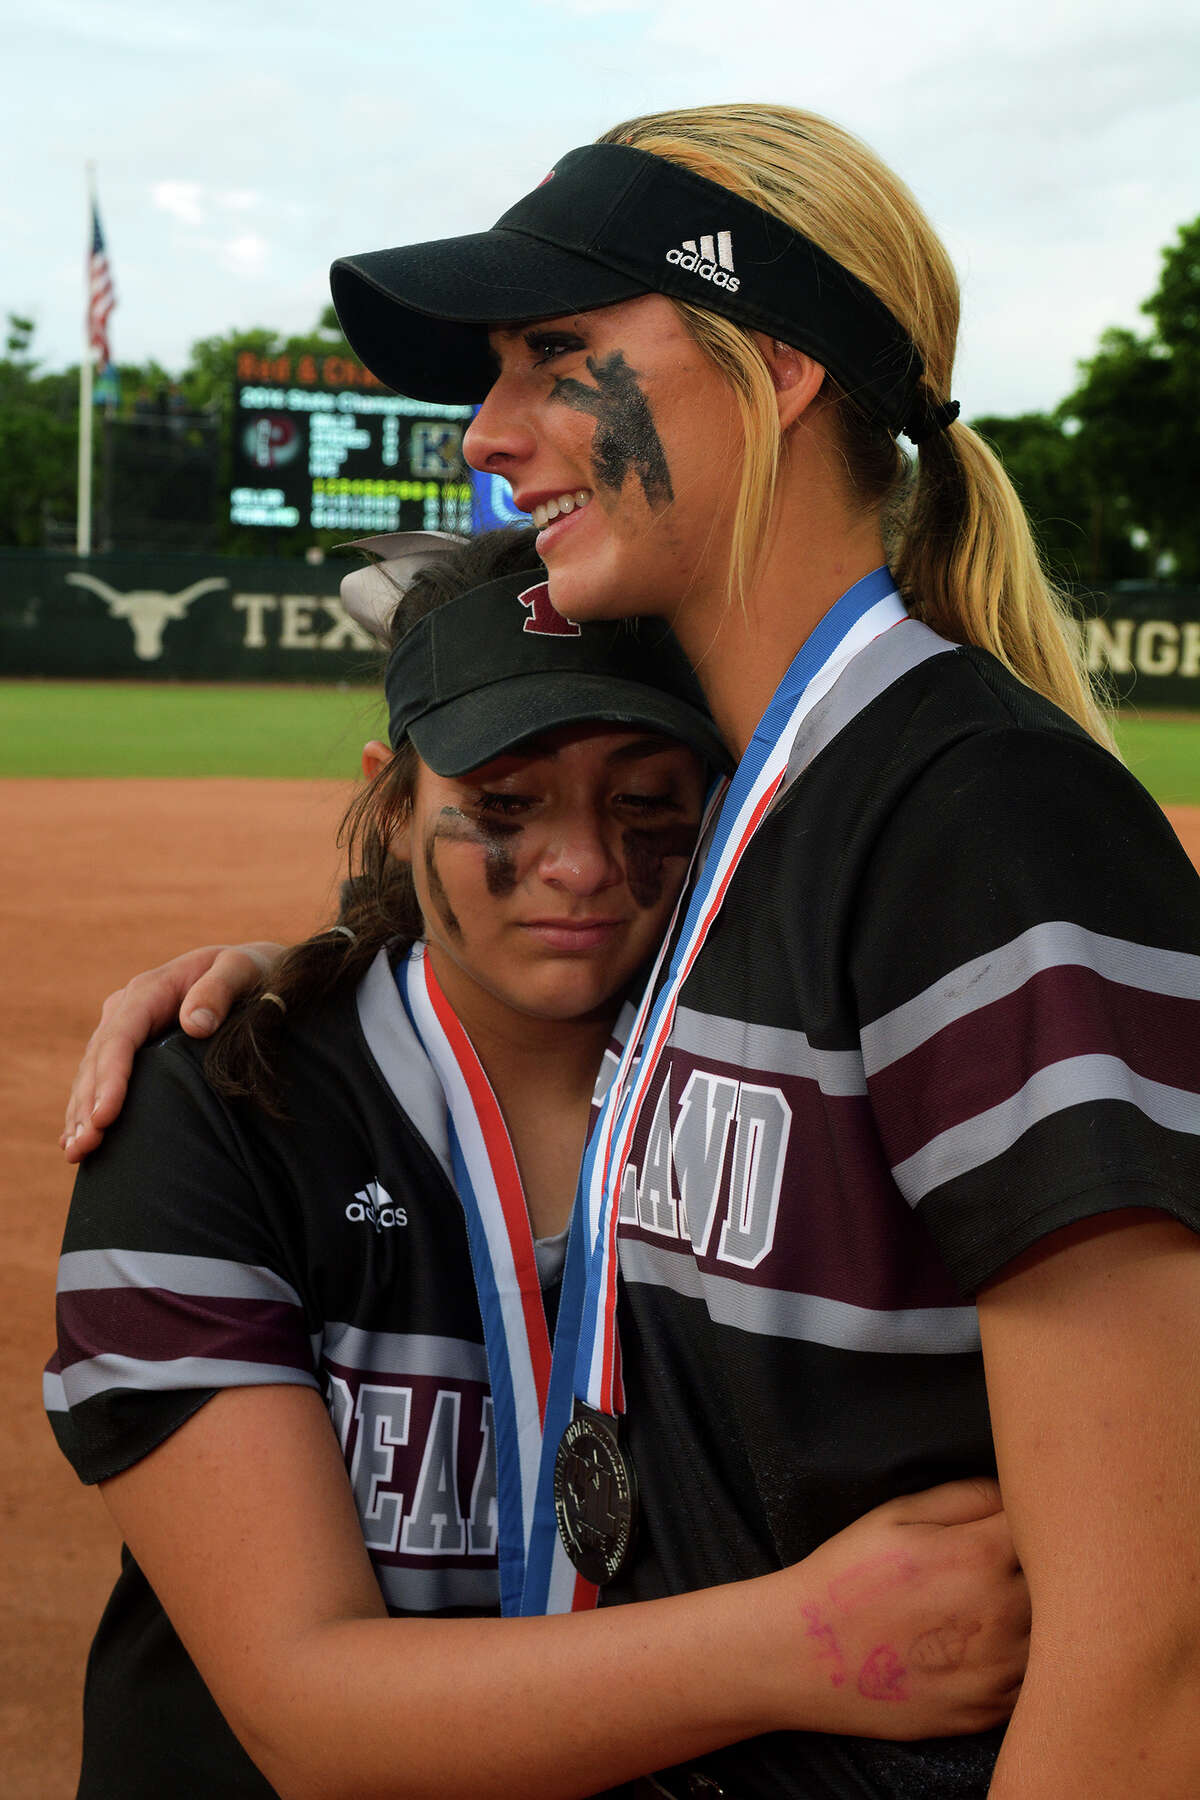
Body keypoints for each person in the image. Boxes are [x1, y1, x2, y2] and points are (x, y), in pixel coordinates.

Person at [60, 103, 1200, 1795]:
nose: (488, 432)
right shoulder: (760, 844)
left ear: (782, 365)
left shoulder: (981, 820)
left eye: (553, 353)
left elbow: (1146, 1659)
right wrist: (296, 981)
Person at [48, 525, 1030, 1800]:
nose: (578, 867)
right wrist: (810, 1642)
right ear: (394, 805)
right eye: (501, 808)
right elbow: (305, 1713)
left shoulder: (796, 1087)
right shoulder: (226, 1103)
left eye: (644, 806)